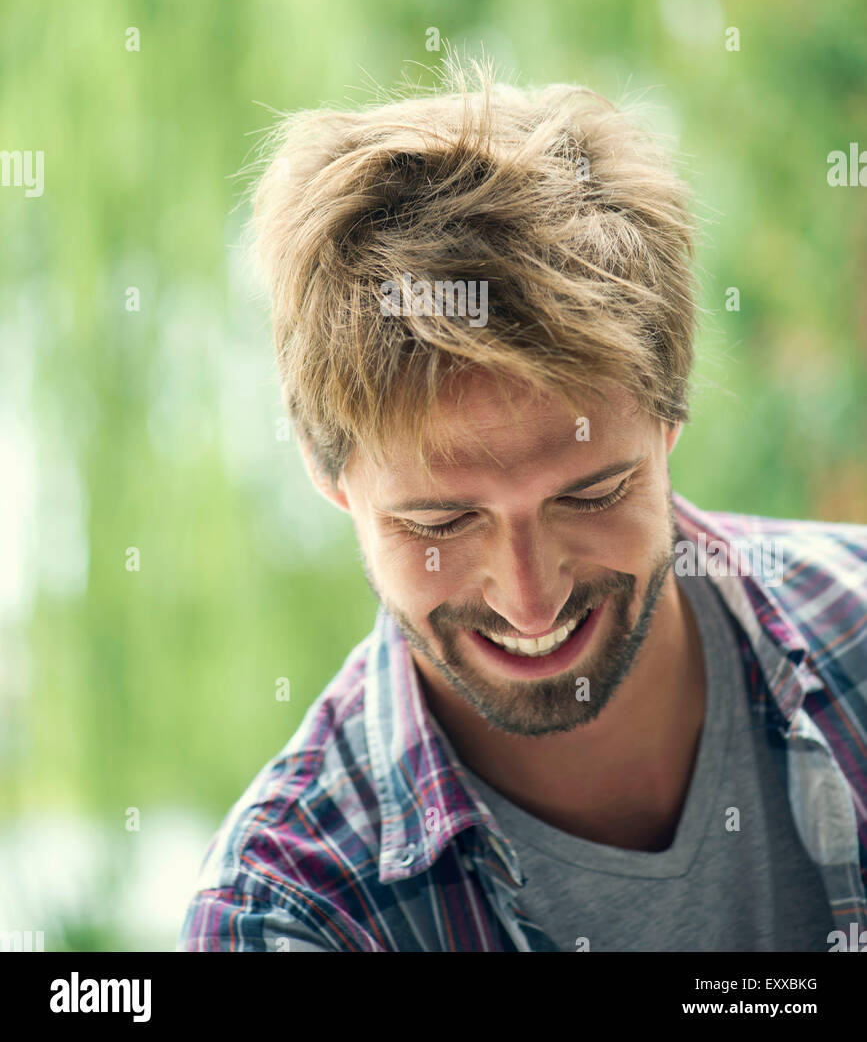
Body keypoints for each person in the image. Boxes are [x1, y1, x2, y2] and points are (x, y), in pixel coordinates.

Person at [178, 56, 867, 952]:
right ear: (328, 474)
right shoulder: (289, 917)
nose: (529, 600)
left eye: (590, 494)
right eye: (440, 521)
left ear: (669, 420)